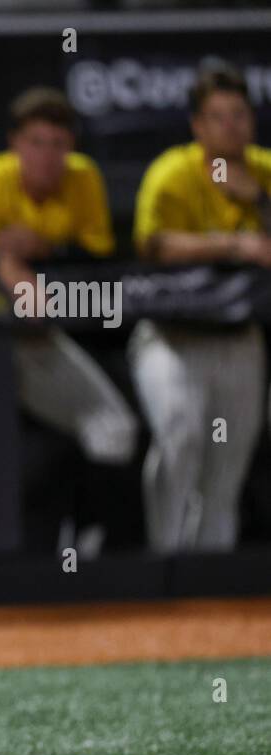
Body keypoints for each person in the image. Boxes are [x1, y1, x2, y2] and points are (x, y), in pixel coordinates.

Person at [0, 87, 138, 551]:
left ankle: (88, 557)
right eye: (36, 142)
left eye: (58, 143)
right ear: (15, 144)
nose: (48, 156)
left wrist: (39, 252)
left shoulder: (82, 179)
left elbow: (99, 263)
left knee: (113, 429)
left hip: (27, 335)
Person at [130, 61, 271, 553]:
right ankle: (163, 561)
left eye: (239, 114)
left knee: (227, 465)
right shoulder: (174, 171)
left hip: (239, 340)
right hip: (175, 337)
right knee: (181, 438)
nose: (231, 125)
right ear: (197, 125)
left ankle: (208, 587)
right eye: (218, 116)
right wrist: (234, 247)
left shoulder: (265, 171)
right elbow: (155, 245)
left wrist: (262, 200)